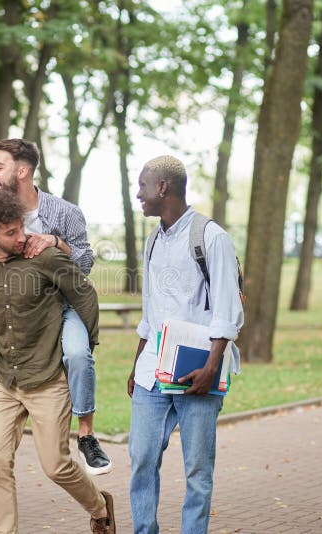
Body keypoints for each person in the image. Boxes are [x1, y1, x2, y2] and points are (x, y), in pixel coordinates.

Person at [0, 138, 112, 475]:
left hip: (60, 303)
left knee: (77, 355)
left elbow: (85, 263)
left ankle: (85, 434)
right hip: (9, 307)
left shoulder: (64, 212)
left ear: (22, 171)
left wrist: (55, 242)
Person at [0, 189, 116, 534]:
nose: (22, 238)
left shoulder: (44, 256)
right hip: (5, 380)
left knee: (56, 466)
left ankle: (98, 506)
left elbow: (85, 294)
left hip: (47, 377)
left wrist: (85, 345)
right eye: (11, 233)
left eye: (22, 228)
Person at [128, 156, 245, 534]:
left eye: (143, 185)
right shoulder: (152, 241)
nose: (138, 194)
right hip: (152, 371)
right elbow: (150, 311)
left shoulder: (211, 237)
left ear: (163, 188)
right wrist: (136, 364)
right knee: (142, 458)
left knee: (197, 469)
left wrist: (211, 368)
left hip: (198, 369)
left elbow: (228, 310)